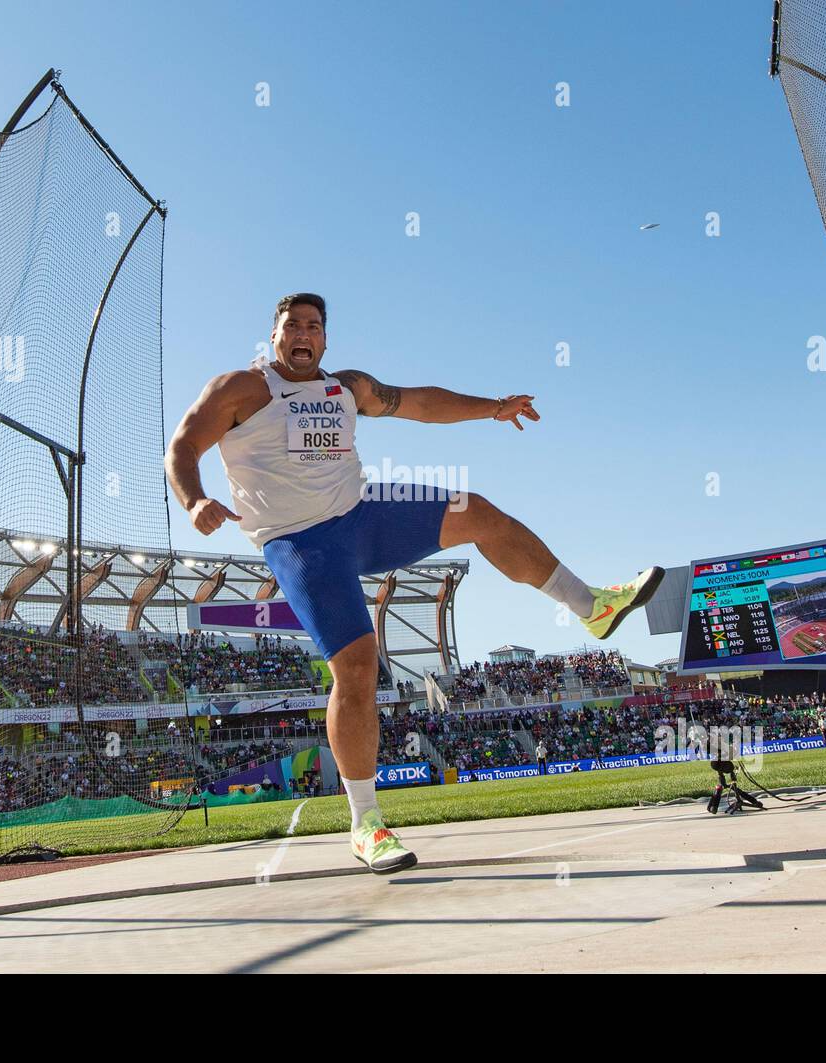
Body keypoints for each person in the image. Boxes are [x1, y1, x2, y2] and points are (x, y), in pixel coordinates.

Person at [166, 293, 663, 874]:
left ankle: (591, 606)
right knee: (357, 665)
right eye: (291, 326)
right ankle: (366, 823)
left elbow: (421, 404)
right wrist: (195, 498)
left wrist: (494, 407)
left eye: (314, 326)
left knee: (476, 510)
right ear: (273, 336)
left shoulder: (348, 387)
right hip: (300, 539)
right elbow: (183, 446)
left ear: (326, 339)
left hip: (364, 514)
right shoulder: (240, 389)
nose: (303, 334)